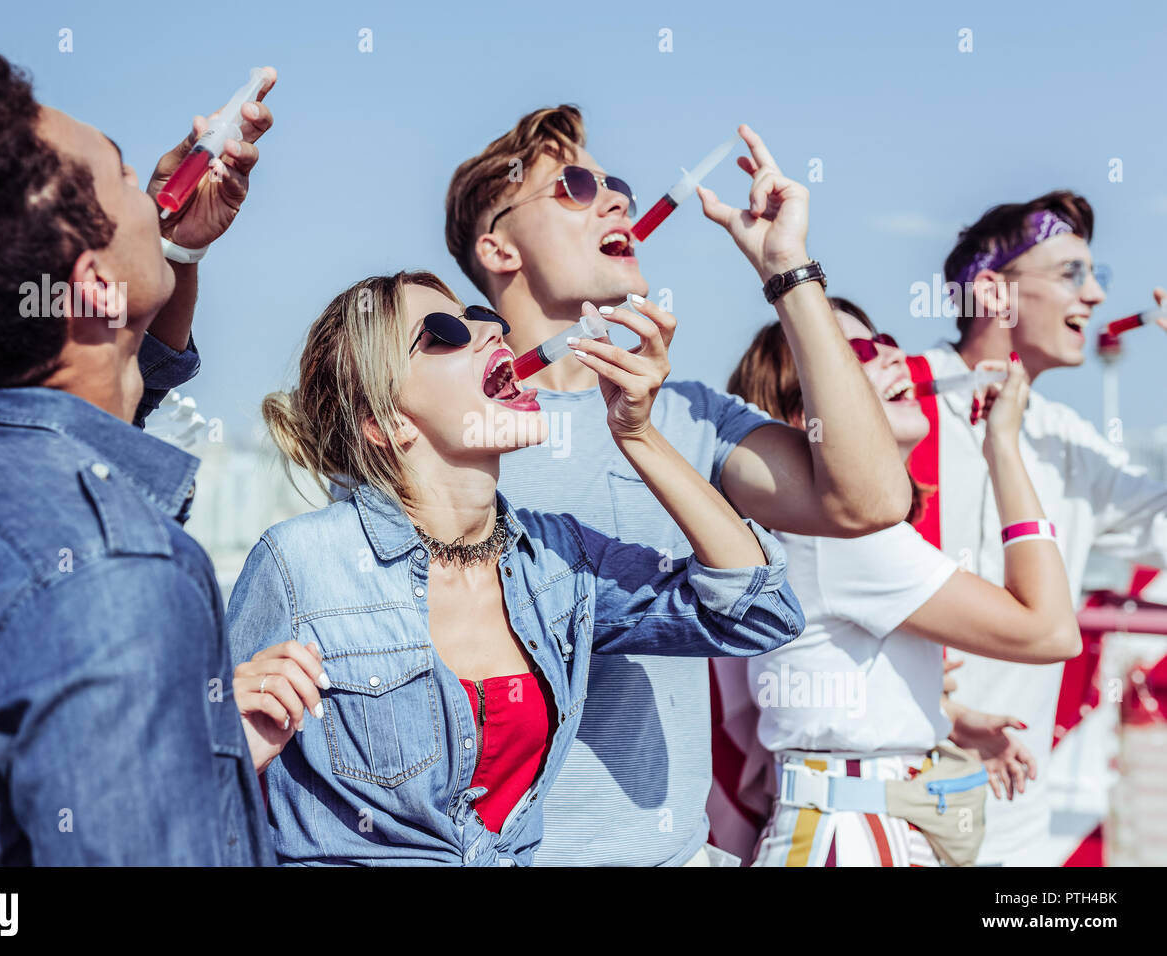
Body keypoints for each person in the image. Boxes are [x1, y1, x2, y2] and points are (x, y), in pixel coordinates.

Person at [442, 107, 911, 865]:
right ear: (496, 247)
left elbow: (871, 500)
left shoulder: (686, 413)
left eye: (617, 186)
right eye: (575, 186)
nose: (617, 200)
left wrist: (786, 272)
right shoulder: (448, 423)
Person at [225, 271, 804, 865]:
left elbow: (756, 613)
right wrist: (231, 741)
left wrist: (638, 435)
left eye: (482, 315)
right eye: (444, 332)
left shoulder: (558, 563)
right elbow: (204, 785)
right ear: (386, 421)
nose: (488, 328)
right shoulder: (301, 562)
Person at [0, 54, 276, 864]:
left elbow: (46, 407)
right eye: (125, 173)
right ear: (91, 286)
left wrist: (168, 258)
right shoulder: (115, 573)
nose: (152, 181)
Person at [724, 299, 1081, 865]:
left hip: (854, 823)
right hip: (852, 834)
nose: (892, 353)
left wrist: (945, 720)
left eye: (884, 338)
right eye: (855, 353)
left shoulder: (821, 535)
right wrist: (1004, 447)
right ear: (804, 419)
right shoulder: (848, 539)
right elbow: (1052, 631)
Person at [912, 191, 1167, 865]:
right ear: (994, 293)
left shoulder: (1066, 440)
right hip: (888, 815)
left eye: (1096, 277)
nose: (1094, 298)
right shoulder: (893, 406)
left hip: (1016, 826)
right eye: (1070, 275)